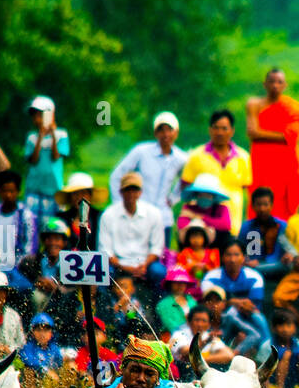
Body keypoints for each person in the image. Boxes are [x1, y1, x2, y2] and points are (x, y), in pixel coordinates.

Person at [109, 112, 186, 241]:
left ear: (176, 133)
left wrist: (173, 198)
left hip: (163, 218)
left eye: (170, 130)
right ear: (156, 133)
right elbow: (117, 175)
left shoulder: (181, 158)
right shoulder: (142, 151)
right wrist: (119, 203)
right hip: (139, 214)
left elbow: (187, 180)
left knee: (160, 257)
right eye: (161, 130)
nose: (166, 134)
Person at [246, 68, 299, 219]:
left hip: (284, 166)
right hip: (261, 163)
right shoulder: (254, 104)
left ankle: (282, 238)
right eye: (271, 81)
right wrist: (282, 136)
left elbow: (292, 137)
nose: (275, 85)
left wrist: (262, 134)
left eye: (279, 82)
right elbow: (252, 133)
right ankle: (255, 241)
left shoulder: (292, 108)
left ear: (285, 85)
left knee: (283, 206)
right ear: (264, 84)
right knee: (258, 200)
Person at [180, 109, 251, 236]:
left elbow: (247, 189)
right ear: (210, 129)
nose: (220, 132)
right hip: (201, 229)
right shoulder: (197, 155)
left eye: (224, 128)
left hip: (233, 223)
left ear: (232, 130)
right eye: (216, 128)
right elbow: (186, 187)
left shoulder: (243, 157)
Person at [202, 239, 269, 356]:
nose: (232, 259)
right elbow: (210, 304)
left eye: (236, 254)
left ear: (243, 257)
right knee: (232, 313)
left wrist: (234, 303)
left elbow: (253, 306)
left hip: (247, 316)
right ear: (222, 257)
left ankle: (266, 350)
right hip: (221, 318)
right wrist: (233, 302)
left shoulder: (254, 276)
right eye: (228, 254)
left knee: (259, 318)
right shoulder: (211, 277)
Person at [98, 172, 165, 286]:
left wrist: (144, 265)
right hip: (117, 264)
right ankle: (104, 302)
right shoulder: (108, 215)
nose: (131, 194)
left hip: (144, 264)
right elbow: (105, 251)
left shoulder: (154, 213)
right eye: (127, 190)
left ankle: (155, 303)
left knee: (158, 271)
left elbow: (156, 248)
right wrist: (124, 267)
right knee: (103, 271)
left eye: (135, 190)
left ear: (140, 192)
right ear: (121, 192)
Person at [23, 96, 68, 222]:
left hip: (54, 190)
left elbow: (56, 156)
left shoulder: (61, 135)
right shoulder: (32, 137)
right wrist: (41, 135)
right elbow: (33, 159)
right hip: (34, 189)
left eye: (40, 115)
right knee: (31, 226)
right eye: (34, 116)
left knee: (52, 226)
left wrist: (52, 133)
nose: (37, 119)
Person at [235, 186, 294, 280]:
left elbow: (290, 250)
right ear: (253, 206)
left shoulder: (281, 226)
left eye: (265, 204)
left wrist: (288, 255)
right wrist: (245, 260)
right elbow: (239, 249)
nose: (262, 209)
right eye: (258, 205)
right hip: (253, 266)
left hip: (276, 266)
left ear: (272, 205)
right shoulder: (246, 227)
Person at [0, 170, 37, 273]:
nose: (8, 195)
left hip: (17, 268)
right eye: (4, 191)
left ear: (18, 192)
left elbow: (29, 247)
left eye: (11, 191)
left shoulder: (25, 215)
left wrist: (17, 266)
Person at [175, 175, 231, 249]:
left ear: (214, 197)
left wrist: (197, 216)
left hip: (215, 248)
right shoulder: (188, 207)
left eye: (208, 195)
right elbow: (182, 226)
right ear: (196, 195)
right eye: (201, 195)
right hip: (192, 249)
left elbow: (226, 225)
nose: (204, 197)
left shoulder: (222, 209)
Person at [20, 312, 64, 388]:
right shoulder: (28, 347)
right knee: (29, 372)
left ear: (51, 333)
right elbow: (30, 364)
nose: (42, 333)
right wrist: (46, 371)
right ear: (33, 332)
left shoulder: (54, 348)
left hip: (51, 382)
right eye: (39, 330)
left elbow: (60, 365)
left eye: (46, 330)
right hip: (35, 381)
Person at [56, 172, 97, 246]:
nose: (79, 197)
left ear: (90, 195)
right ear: (70, 196)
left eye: (83, 193)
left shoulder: (98, 217)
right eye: (75, 193)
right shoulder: (61, 219)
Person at [155, 267, 196, 336]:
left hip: (195, 333)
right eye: (177, 282)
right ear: (170, 284)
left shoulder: (191, 300)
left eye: (183, 282)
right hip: (175, 336)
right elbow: (171, 326)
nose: (180, 285)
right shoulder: (163, 304)